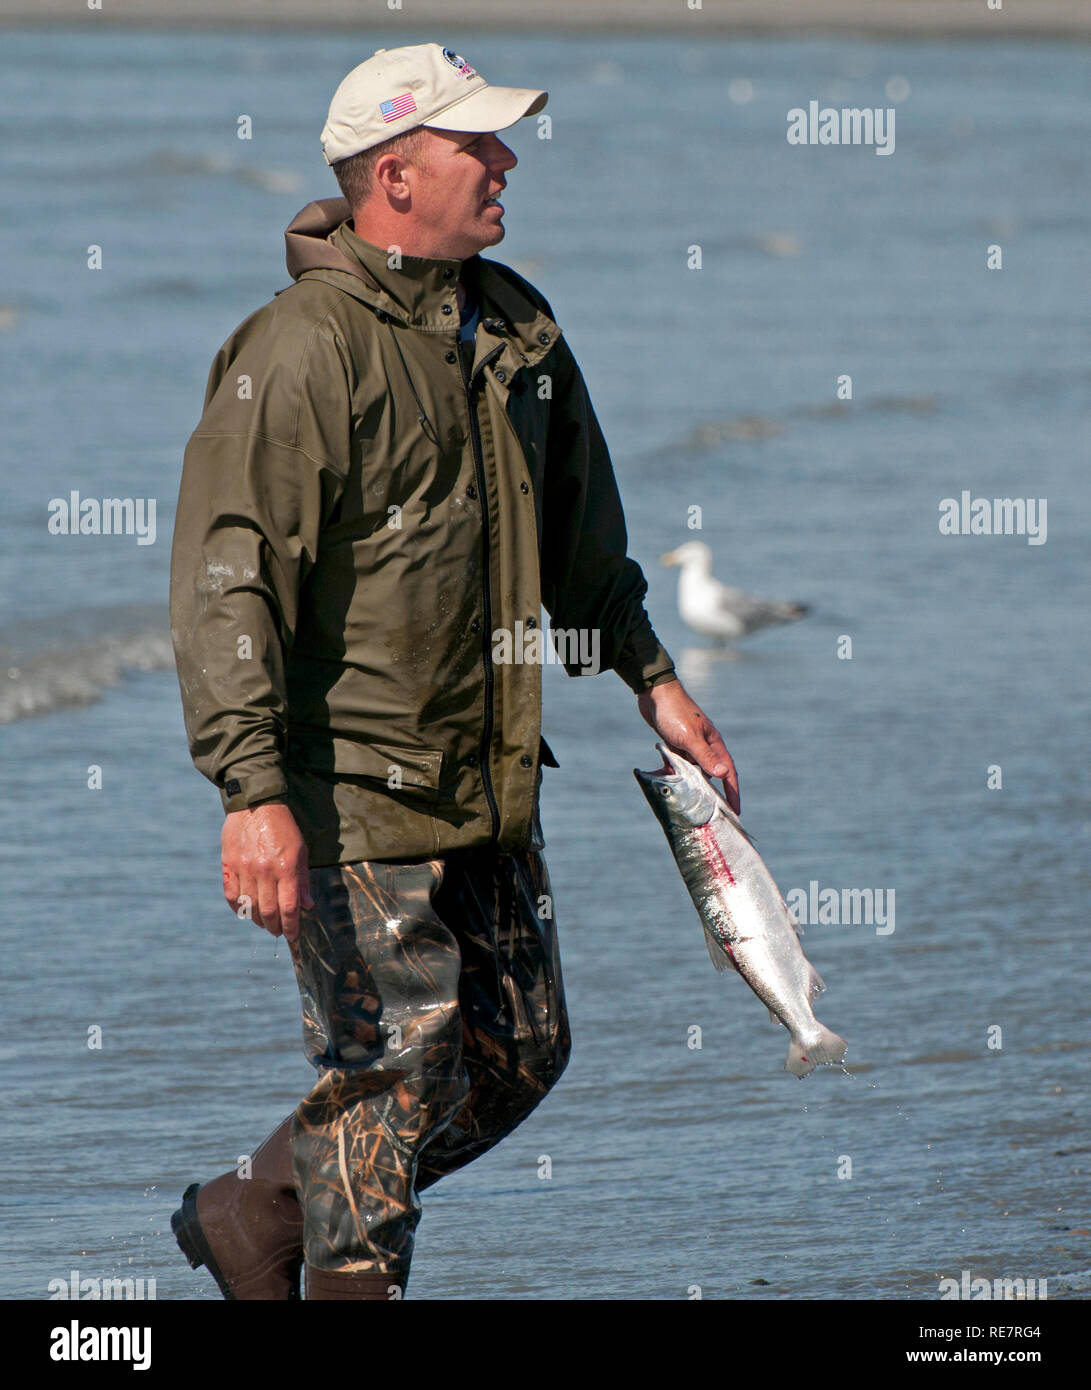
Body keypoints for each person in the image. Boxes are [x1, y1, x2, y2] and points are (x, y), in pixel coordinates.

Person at [168, 42, 739, 1301]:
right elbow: (229, 578)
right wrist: (249, 791)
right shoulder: (300, 350)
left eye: (499, 140)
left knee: (520, 1052)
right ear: (394, 174)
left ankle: (251, 1211)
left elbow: (581, 543)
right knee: (391, 1077)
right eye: (477, 144)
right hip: (348, 793)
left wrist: (654, 678)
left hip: (487, 776)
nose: (505, 162)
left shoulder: (518, 329)